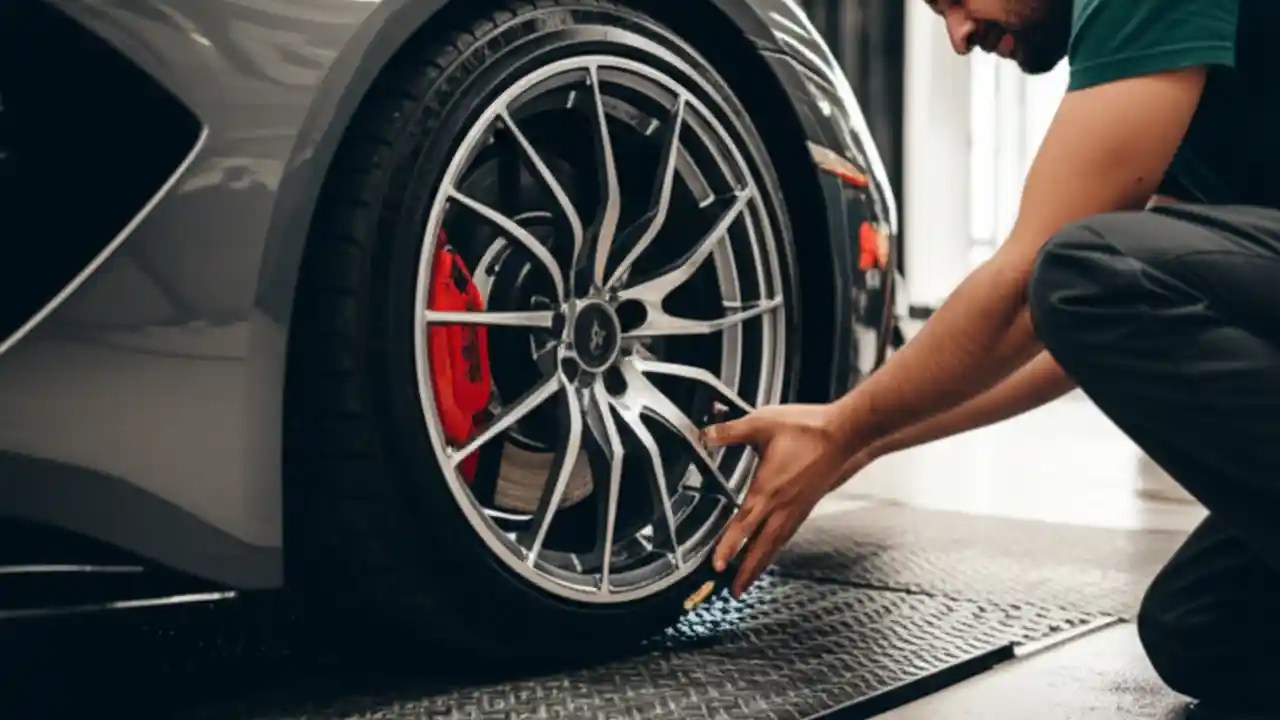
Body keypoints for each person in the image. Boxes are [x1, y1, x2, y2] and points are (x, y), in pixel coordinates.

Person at [703, 0, 1280, 715]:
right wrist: (862, 440)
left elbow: (1048, 279)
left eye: (953, 0)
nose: (958, 35)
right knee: (1202, 630)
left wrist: (844, 426)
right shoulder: (1162, 70)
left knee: (1078, 265)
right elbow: (1064, 333)